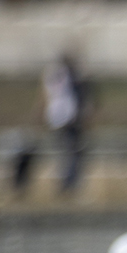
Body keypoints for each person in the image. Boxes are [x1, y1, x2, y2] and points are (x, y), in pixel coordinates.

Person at [41, 52, 87, 195]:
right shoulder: (72, 74)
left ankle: (63, 184)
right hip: (69, 116)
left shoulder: (49, 73)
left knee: (62, 152)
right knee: (71, 152)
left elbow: (44, 95)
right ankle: (68, 185)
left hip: (54, 116)